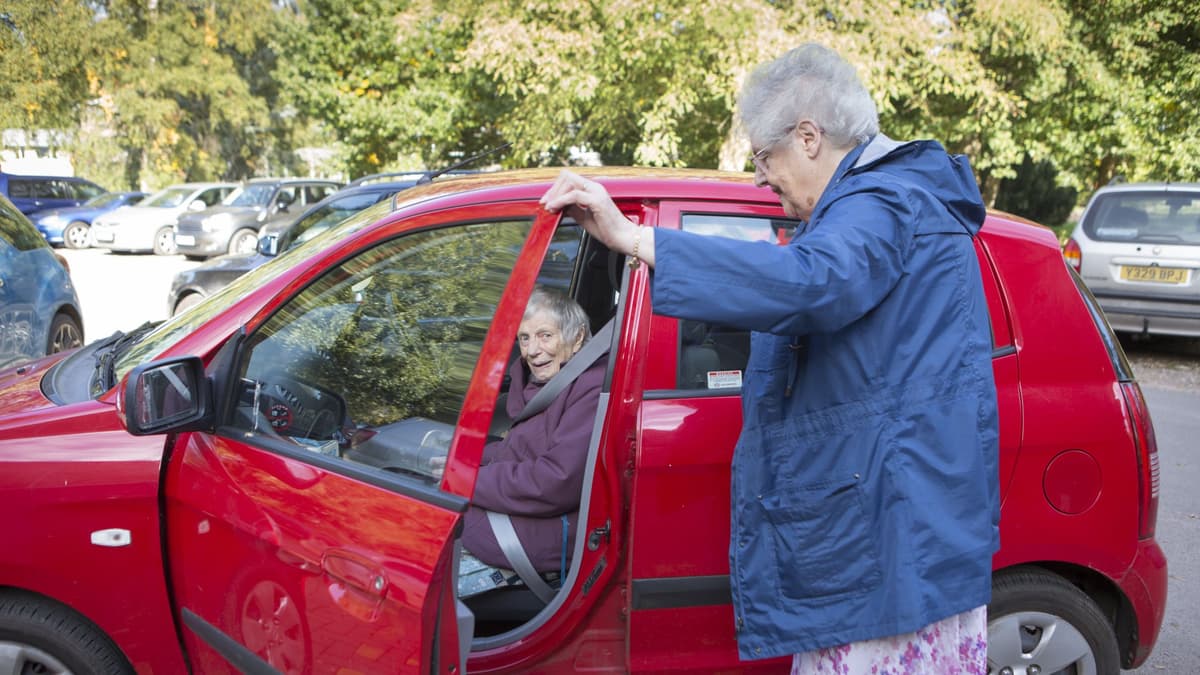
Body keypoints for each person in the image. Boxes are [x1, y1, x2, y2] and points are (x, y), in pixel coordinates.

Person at [540, 43, 998, 673]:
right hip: (903, 524)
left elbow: (810, 283)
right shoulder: (896, 200)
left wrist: (634, 238)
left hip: (887, 535)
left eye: (762, 155)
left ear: (808, 137)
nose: (759, 177)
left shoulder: (881, 202)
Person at [455, 287, 605, 598]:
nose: (532, 351)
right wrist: (460, 460)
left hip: (553, 529)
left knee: (438, 523)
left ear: (577, 337)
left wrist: (466, 480)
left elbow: (555, 481)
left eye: (545, 336)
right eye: (524, 338)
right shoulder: (552, 382)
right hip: (530, 514)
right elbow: (522, 449)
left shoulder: (591, 388)